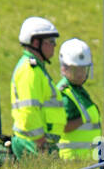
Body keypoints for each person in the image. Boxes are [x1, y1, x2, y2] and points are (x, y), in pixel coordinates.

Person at [10, 16, 66, 157]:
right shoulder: (30, 70)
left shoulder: (37, 69)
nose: (54, 45)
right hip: (33, 145)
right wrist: (41, 144)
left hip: (38, 144)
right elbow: (29, 110)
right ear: (36, 43)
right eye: (51, 41)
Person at [56, 38, 102, 160]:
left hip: (87, 158)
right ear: (64, 68)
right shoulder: (64, 92)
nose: (80, 74)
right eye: (75, 69)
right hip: (73, 159)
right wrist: (83, 121)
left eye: (83, 69)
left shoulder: (78, 90)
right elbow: (62, 126)